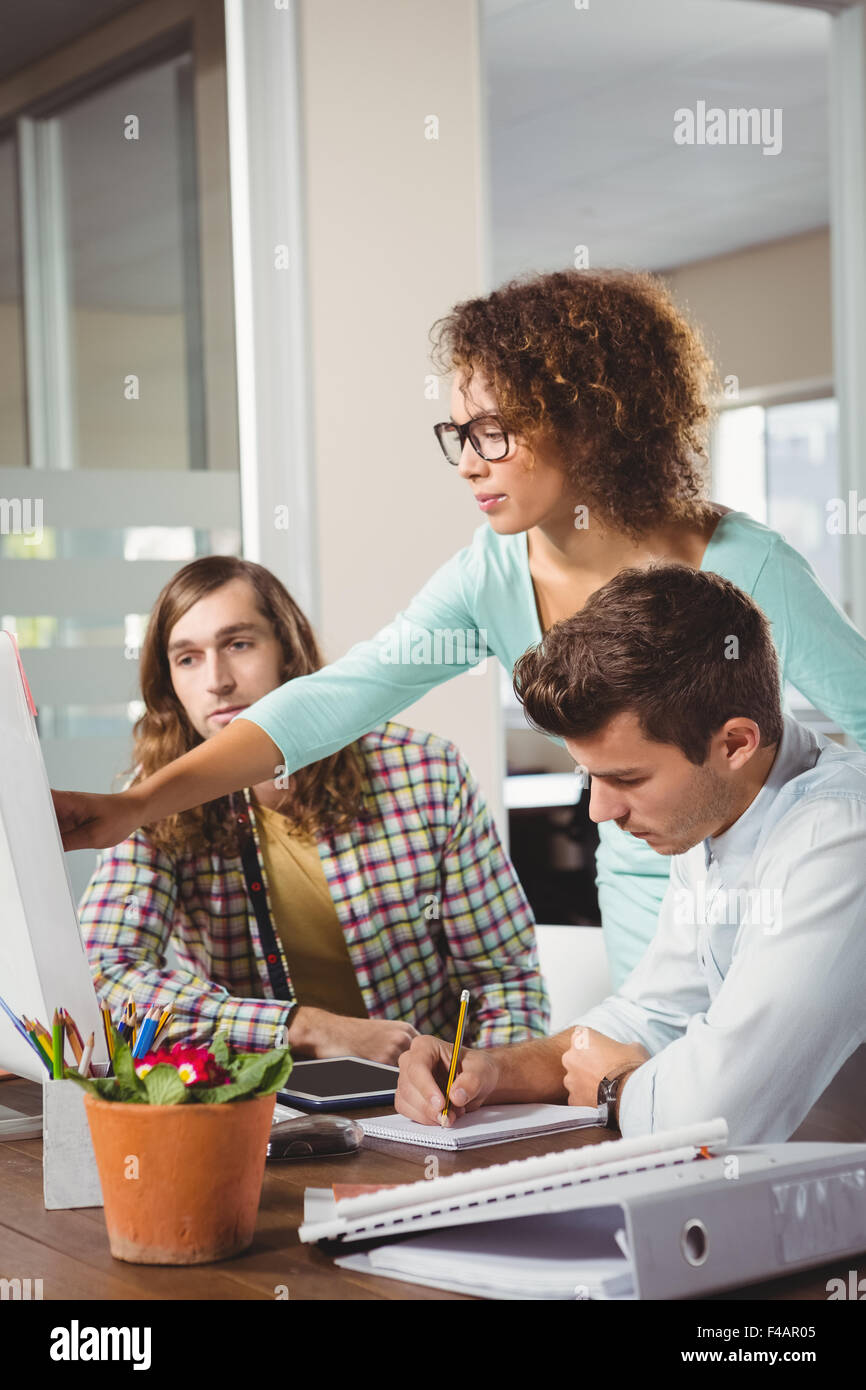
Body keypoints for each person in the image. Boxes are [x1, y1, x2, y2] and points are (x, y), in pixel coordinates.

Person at [53, 268, 866, 988]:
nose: (470, 462)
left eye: (493, 432)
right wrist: (140, 804)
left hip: (782, 894)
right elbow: (336, 699)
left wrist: (820, 859)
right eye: (459, 435)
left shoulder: (744, 563)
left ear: (587, 420)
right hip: (644, 894)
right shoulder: (493, 576)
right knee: (663, 1121)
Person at [392, 565, 866, 1146]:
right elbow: (653, 1014)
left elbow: (718, 1120)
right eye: (589, 776)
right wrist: (492, 1070)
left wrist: (614, 1087)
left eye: (628, 778)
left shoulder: (841, 836)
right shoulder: (716, 810)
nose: (599, 812)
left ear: (735, 743)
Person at [76, 557, 550, 1058]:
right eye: (188, 658)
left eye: (238, 644)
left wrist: (481, 1087)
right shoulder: (151, 801)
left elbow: (505, 983)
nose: (217, 680)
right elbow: (102, 974)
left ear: (288, 649)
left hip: (423, 1101)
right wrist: (300, 1026)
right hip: (258, 1106)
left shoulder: (425, 771)